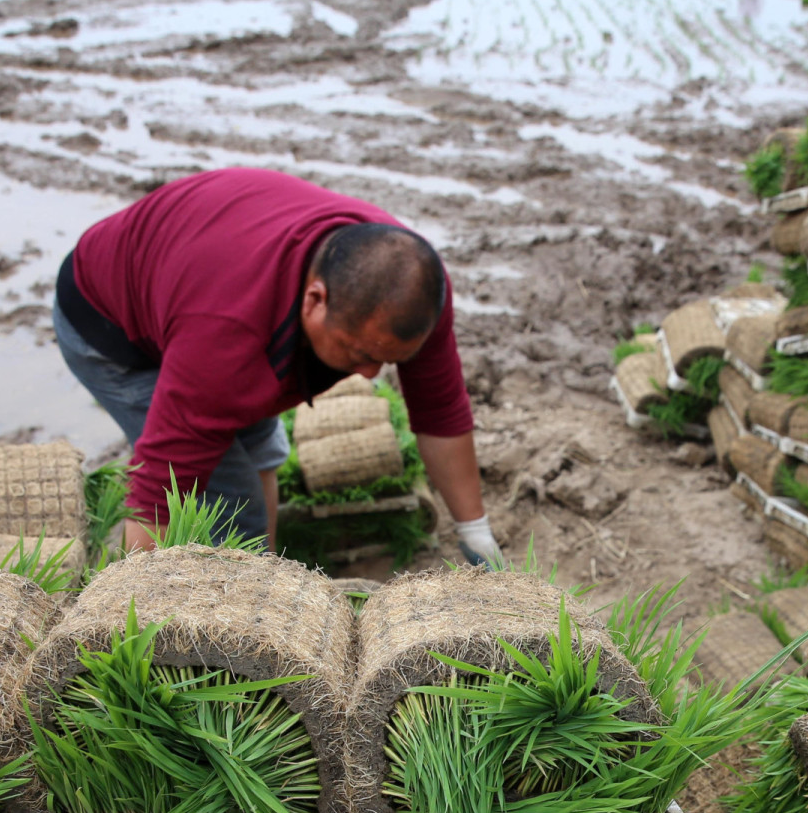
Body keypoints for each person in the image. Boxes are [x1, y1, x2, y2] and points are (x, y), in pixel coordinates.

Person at [52, 167, 503, 567]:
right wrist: (126, 615)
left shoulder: (412, 289)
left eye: (388, 359)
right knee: (231, 503)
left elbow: (440, 412)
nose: (369, 375)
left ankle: (263, 578)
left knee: (261, 452)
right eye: (360, 353)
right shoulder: (225, 337)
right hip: (108, 321)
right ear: (315, 300)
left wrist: (473, 529)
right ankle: (243, 609)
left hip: (204, 276)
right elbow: (159, 494)